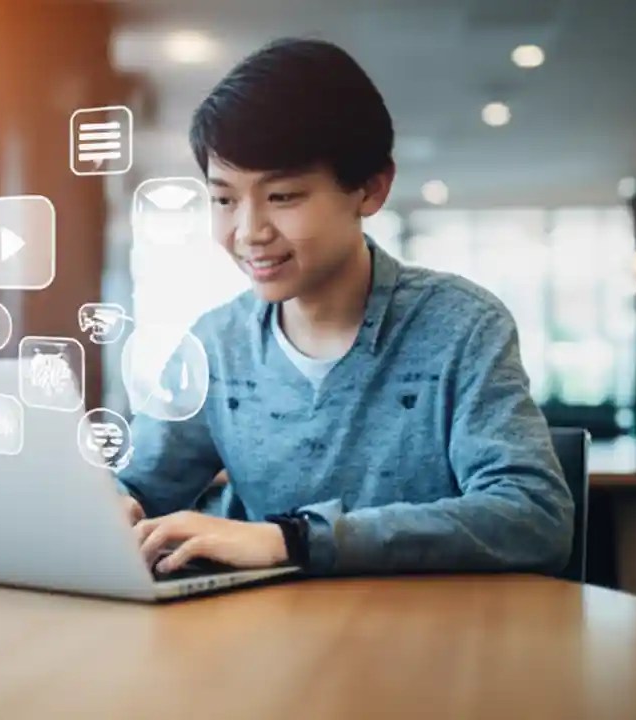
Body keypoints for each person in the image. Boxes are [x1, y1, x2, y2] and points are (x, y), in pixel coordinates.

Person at [117, 38, 574, 577]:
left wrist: (294, 540)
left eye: (283, 196)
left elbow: (534, 517)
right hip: (258, 642)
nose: (249, 232)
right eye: (224, 199)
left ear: (370, 189)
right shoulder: (218, 344)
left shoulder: (462, 327)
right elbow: (138, 483)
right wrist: (109, 507)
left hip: (434, 638)